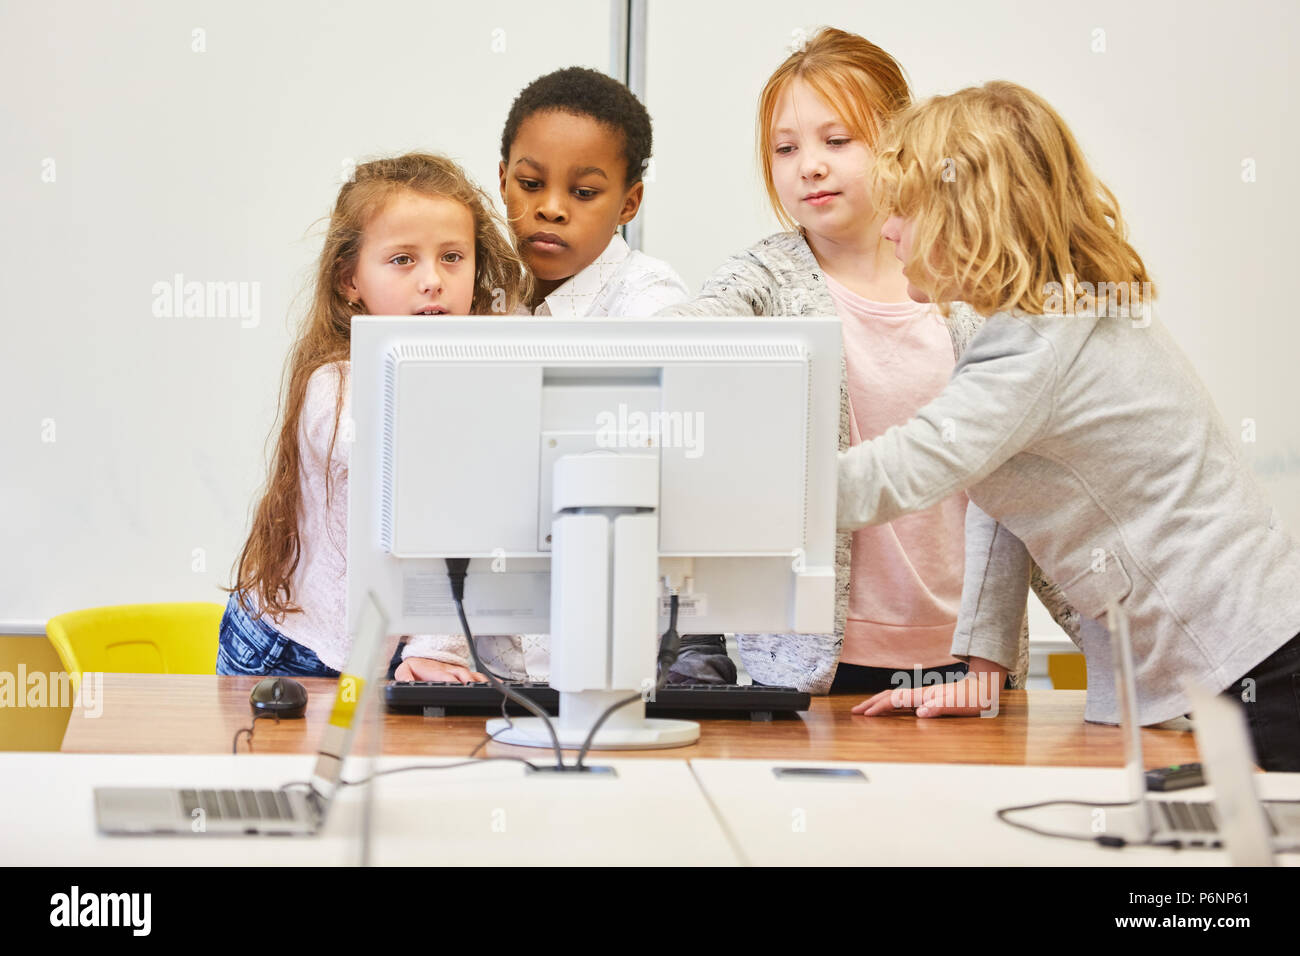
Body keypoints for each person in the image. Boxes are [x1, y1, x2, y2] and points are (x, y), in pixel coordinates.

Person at [841, 81, 1300, 772]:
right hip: (1253, 652)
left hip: (1260, 665)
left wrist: (722, 489)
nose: (887, 230)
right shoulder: (1048, 318)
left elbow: (900, 472)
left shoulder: (1035, 341)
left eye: (904, 210)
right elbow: (1003, 498)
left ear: (966, 214)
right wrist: (983, 662)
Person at [659, 27, 1041, 694]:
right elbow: (690, 328)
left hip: (967, 661)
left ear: (901, 145)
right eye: (786, 148)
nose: (808, 165)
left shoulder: (966, 287)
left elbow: (1033, 479)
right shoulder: (765, 277)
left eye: (837, 142)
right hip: (812, 668)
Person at [401, 66, 691, 683]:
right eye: (530, 184)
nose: (550, 209)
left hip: (602, 658)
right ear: (503, 180)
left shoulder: (652, 308)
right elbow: (449, 483)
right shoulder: (481, 296)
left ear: (628, 204)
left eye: (584, 194)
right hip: (490, 664)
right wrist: (436, 645)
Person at [220, 153, 529, 681]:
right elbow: (419, 508)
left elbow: (461, 531)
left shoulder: (461, 375)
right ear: (350, 281)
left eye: (453, 257)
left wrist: (434, 646)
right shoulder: (334, 389)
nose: (433, 280)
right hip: (294, 648)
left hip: (379, 655)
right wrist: (435, 648)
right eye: (403, 260)